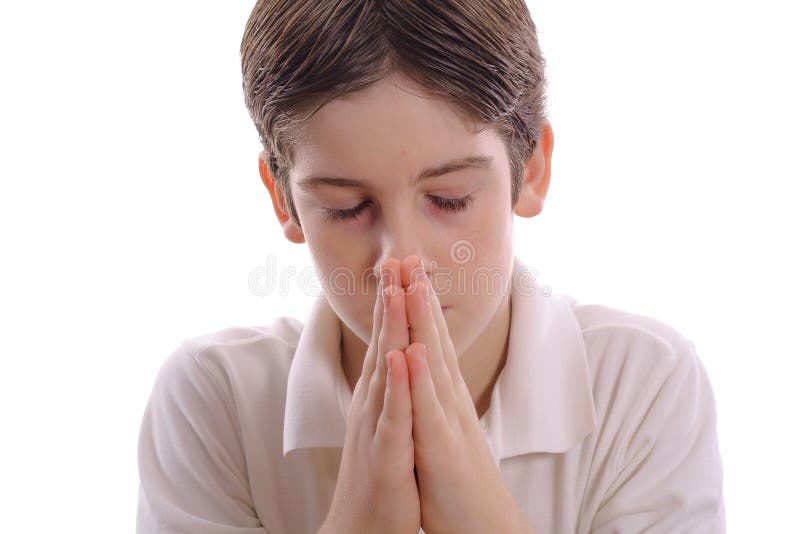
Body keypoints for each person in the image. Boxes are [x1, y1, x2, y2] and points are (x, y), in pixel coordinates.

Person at [136, 1, 726, 533]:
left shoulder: (644, 383)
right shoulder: (216, 400)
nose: (402, 260)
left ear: (533, 168)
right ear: (283, 200)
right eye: (348, 208)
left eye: (449, 200)